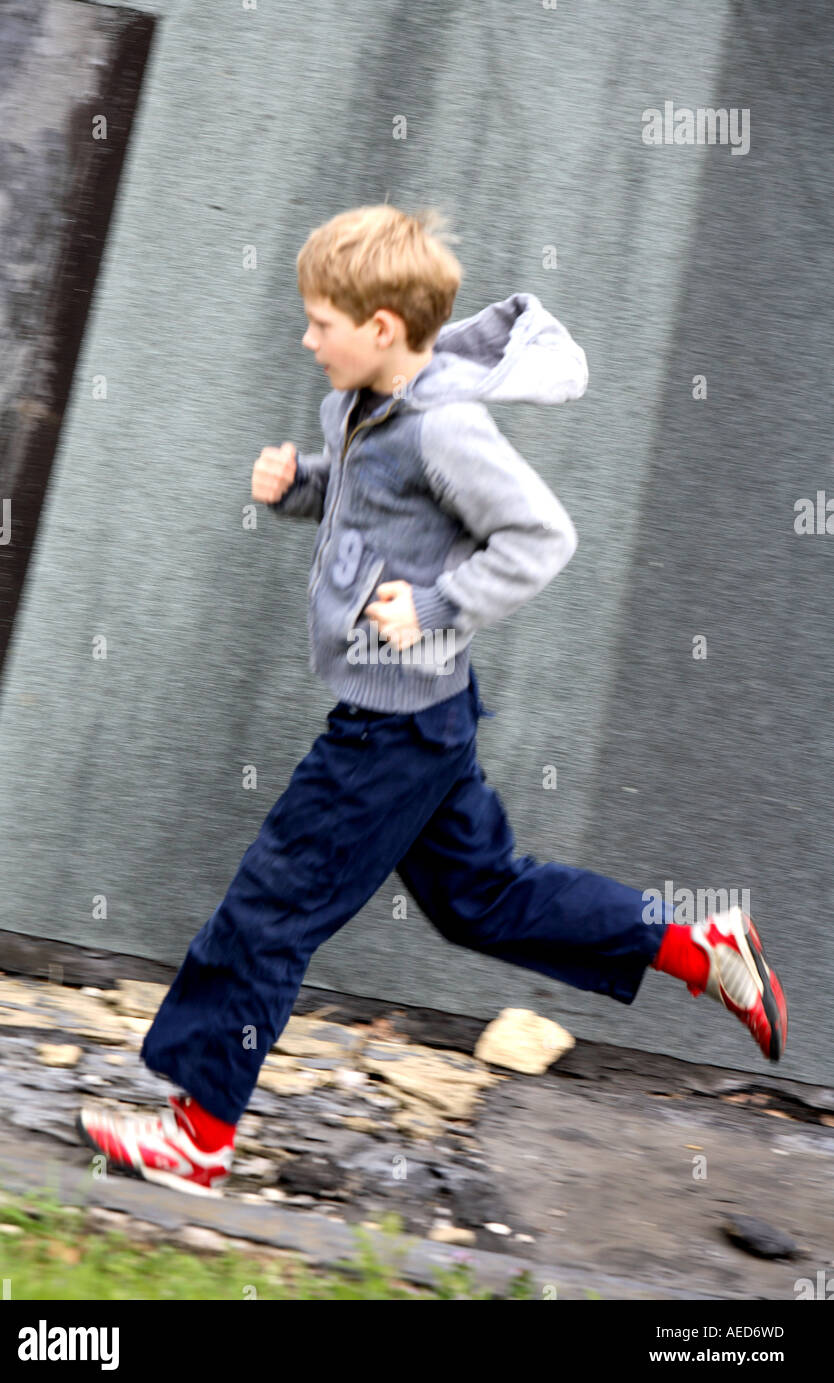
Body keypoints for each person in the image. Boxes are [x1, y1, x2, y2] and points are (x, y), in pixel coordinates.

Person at [78, 204, 787, 1195]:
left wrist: (438, 605)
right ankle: (693, 944)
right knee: (480, 898)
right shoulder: (364, 404)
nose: (306, 338)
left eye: (320, 322)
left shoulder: (446, 427)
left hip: (391, 729)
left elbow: (541, 536)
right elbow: (376, 508)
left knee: (269, 910)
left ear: (379, 328)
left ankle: (197, 1138)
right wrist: (301, 486)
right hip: (424, 715)